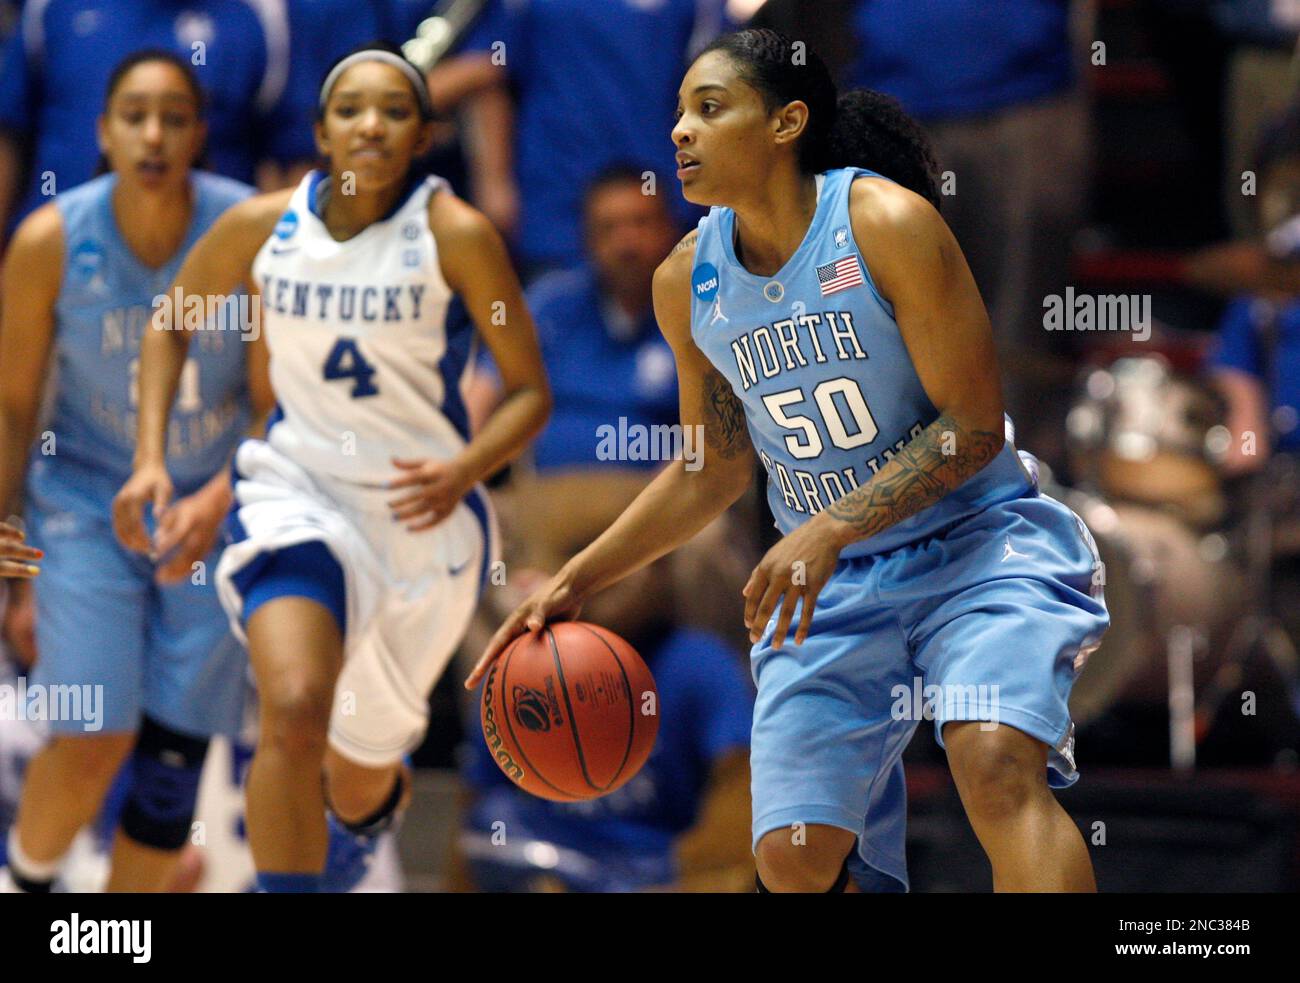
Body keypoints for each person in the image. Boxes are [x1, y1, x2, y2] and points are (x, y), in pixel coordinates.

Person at [468, 28, 1110, 893]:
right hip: (835, 586)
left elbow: (972, 427)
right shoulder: (686, 280)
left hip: (975, 547)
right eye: (678, 113)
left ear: (786, 122)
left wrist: (831, 526)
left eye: (710, 107)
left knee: (994, 767)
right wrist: (579, 577)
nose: (680, 133)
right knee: (791, 854)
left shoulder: (885, 222)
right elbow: (712, 469)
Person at [114, 42, 550, 893]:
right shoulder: (260, 225)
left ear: (424, 135)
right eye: (351, 109)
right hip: (297, 490)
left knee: (359, 772)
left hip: (422, 516)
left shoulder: (455, 234)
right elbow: (169, 326)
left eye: (394, 111)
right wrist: (149, 459)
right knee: (295, 704)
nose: (371, 125)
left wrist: (464, 469)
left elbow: (532, 392)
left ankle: (347, 851)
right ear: (320, 131)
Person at [0, 50, 267, 893]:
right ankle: (26, 884)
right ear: (102, 132)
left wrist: (221, 496)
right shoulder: (50, 239)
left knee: (171, 758)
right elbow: (12, 409)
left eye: (175, 117)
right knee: (90, 729)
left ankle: (117, 937)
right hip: (82, 498)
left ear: (200, 134)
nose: (154, 134)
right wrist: (13, 556)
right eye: (134, 115)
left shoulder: (250, 233)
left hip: (211, 504)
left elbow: (277, 407)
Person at [454, 560, 754, 893]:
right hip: (547, 864)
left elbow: (741, 788)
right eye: (579, 552)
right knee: (490, 820)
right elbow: (474, 804)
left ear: (662, 572)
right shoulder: (515, 673)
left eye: (624, 560)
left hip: (656, 868)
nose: (607, 577)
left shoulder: (700, 663)